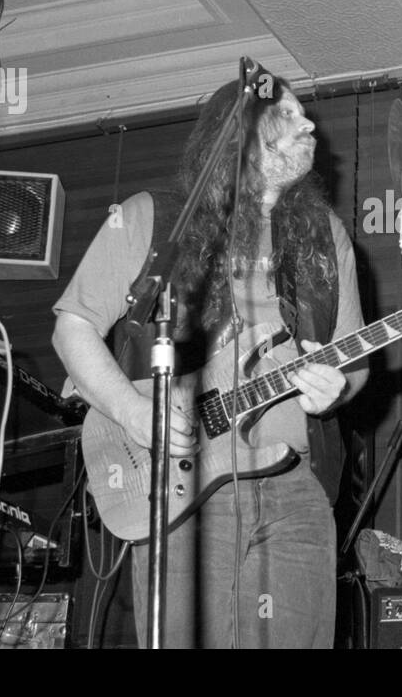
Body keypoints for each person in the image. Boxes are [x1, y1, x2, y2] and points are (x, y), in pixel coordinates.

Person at [52, 71, 367, 648]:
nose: (311, 125)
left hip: (298, 489)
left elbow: (355, 360)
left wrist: (337, 388)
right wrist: (129, 410)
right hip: (181, 482)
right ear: (243, 131)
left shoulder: (326, 236)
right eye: (292, 115)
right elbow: (73, 328)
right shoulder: (152, 216)